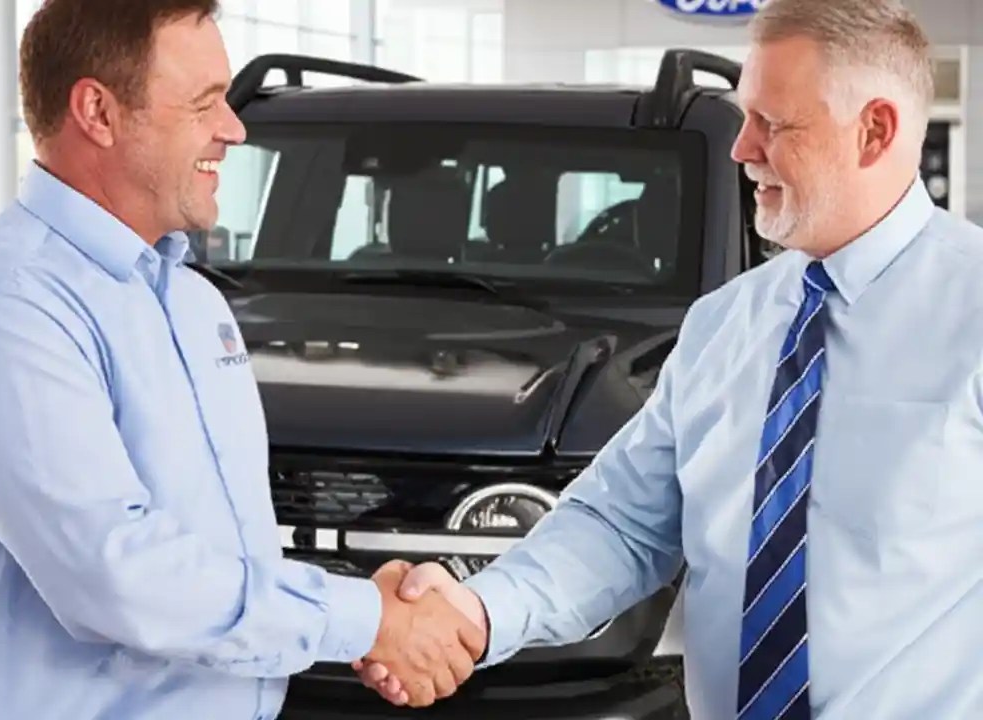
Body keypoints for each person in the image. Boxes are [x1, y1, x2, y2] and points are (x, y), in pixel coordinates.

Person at [356, 0, 983, 717]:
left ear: (874, 131)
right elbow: (622, 524)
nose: (742, 149)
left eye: (772, 125)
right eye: (745, 118)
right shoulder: (726, 324)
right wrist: (476, 610)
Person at [0, 1, 483, 718]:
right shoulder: (1, 311)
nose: (233, 129)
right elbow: (119, 576)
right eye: (204, 104)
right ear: (98, 112)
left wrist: (362, 611)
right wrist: (370, 619)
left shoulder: (194, 304)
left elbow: (217, 559)